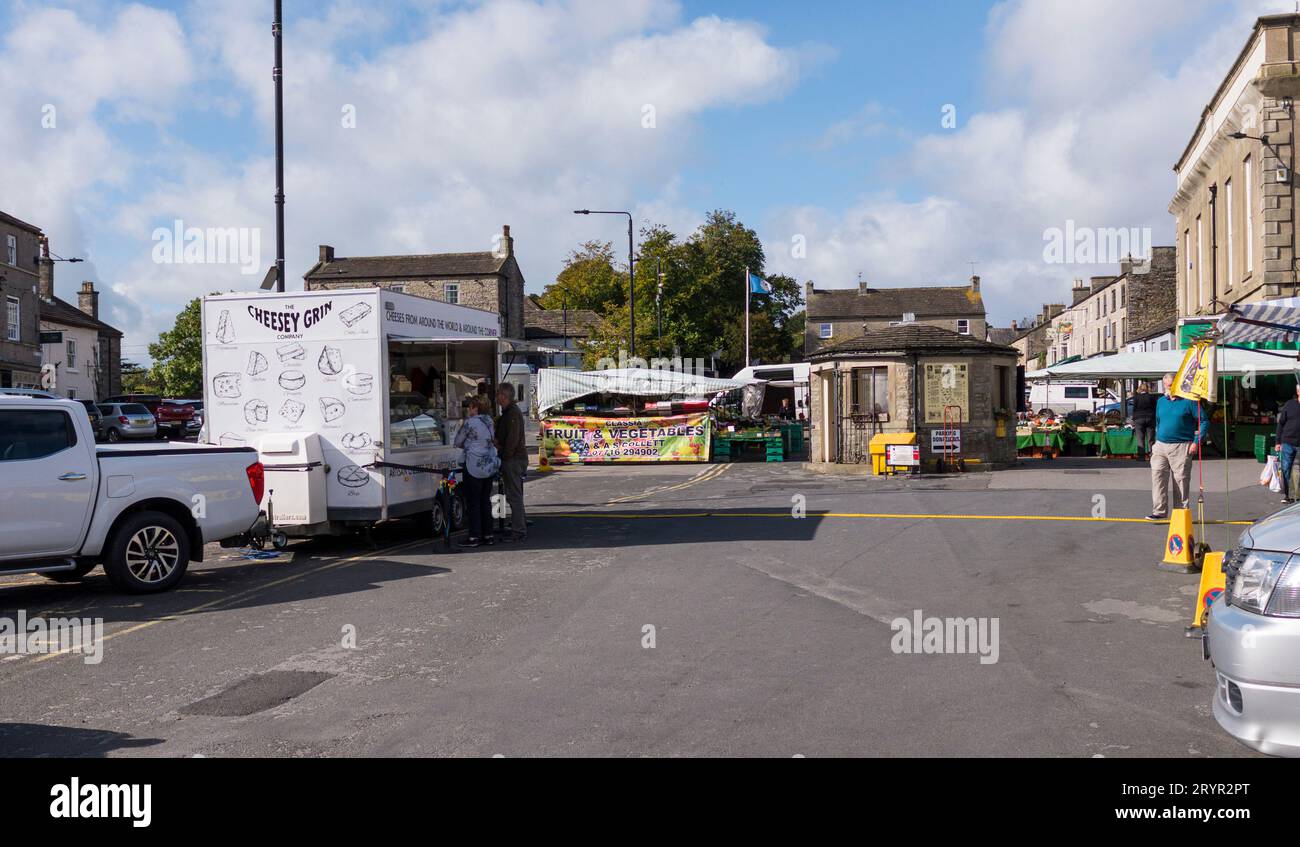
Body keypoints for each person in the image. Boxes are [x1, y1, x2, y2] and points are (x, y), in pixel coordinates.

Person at [1147, 372, 1209, 521]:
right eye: (1167, 385)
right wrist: (1156, 441)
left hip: (1182, 445)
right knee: (1158, 476)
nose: (1169, 388)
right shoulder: (1161, 401)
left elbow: (1204, 421)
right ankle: (1159, 511)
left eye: (1172, 385)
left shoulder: (1189, 401)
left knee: (1180, 480)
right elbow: (1158, 421)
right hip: (1161, 444)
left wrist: (1196, 441)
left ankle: (1180, 513)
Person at [453, 396, 498, 548]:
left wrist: (467, 443)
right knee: (485, 501)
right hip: (488, 466)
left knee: (473, 503)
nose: (468, 410)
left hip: (473, 466)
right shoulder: (490, 421)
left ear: (476, 408)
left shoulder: (470, 423)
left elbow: (457, 442)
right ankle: (488, 535)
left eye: (470, 407)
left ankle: (474, 536)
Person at [495, 382, 528, 542]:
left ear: (504, 396)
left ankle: (518, 530)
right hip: (513, 458)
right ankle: (518, 525)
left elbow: (513, 439)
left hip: (513, 460)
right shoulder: (509, 413)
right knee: (514, 494)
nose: (496, 397)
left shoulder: (512, 414)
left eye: (498, 394)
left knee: (514, 496)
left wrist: (504, 454)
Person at [1275, 383, 1300, 503]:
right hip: (1288, 442)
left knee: (1298, 471)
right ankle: (1287, 495)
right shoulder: (1290, 405)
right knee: (1286, 469)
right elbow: (1281, 424)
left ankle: (1298, 495)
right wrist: (1278, 442)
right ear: (1298, 392)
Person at [1130, 383, 1158, 462]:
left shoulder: (1136, 397)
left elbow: (1134, 409)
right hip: (1150, 418)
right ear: (1147, 389)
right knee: (1151, 438)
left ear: (1140, 389)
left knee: (1140, 437)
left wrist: (1133, 418)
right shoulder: (1152, 397)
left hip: (1138, 419)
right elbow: (1155, 408)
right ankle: (1151, 455)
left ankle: (1141, 456)